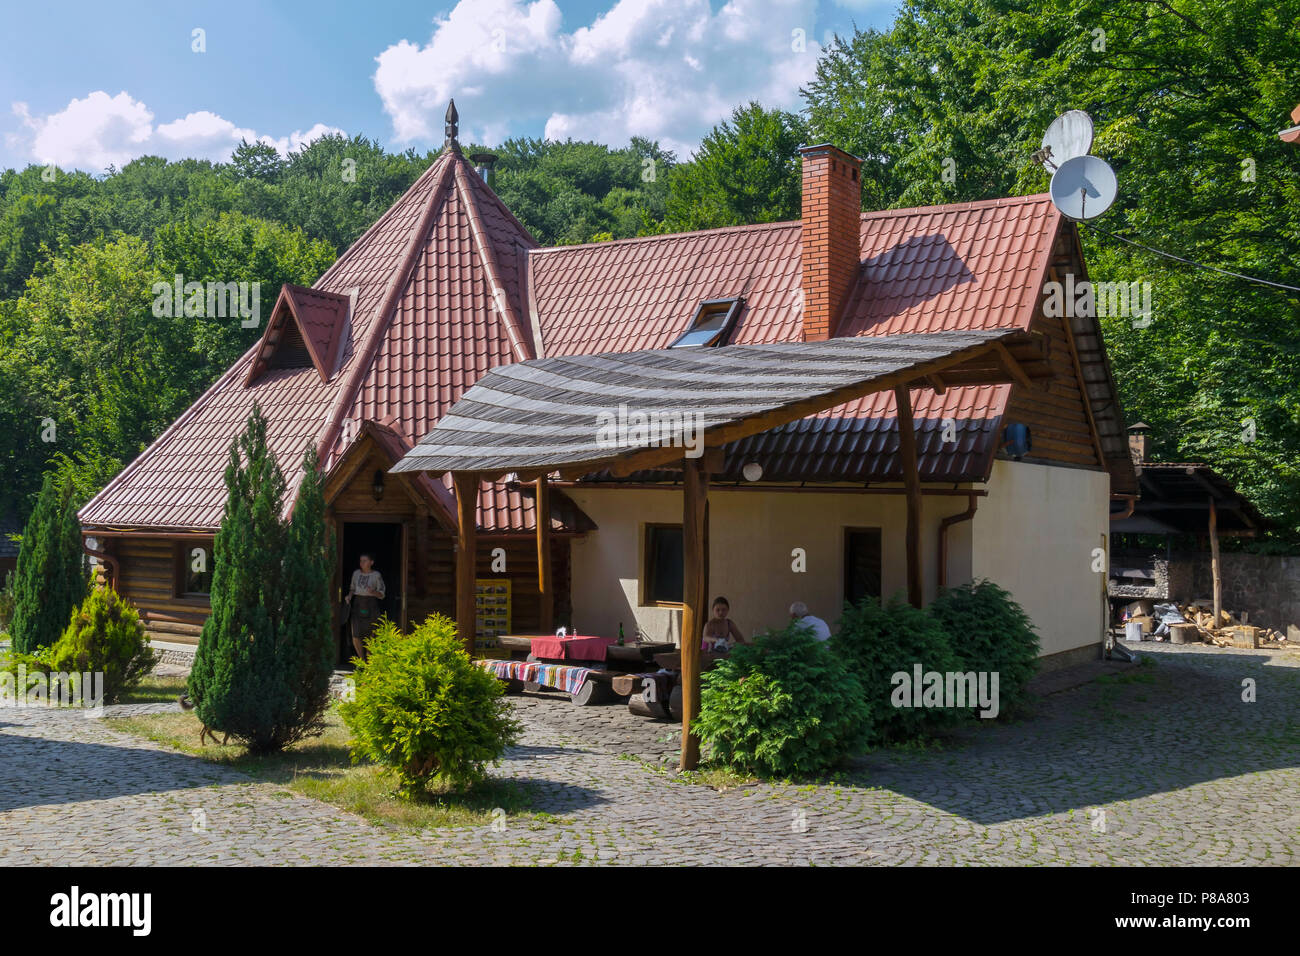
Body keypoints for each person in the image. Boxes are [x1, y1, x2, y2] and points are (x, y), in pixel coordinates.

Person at [345, 553, 386, 661]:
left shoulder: (376, 575)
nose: (361, 563)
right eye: (360, 561)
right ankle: (362, 661)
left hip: (371, 604)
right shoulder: (356, 573)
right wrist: (349, 596)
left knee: (372, 634)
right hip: (358, 604)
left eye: (365, 560)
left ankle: (369, 661)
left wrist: (373, 592)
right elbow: (352, 588)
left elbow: (382, 594)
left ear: (371, 562)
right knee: (356, 634)